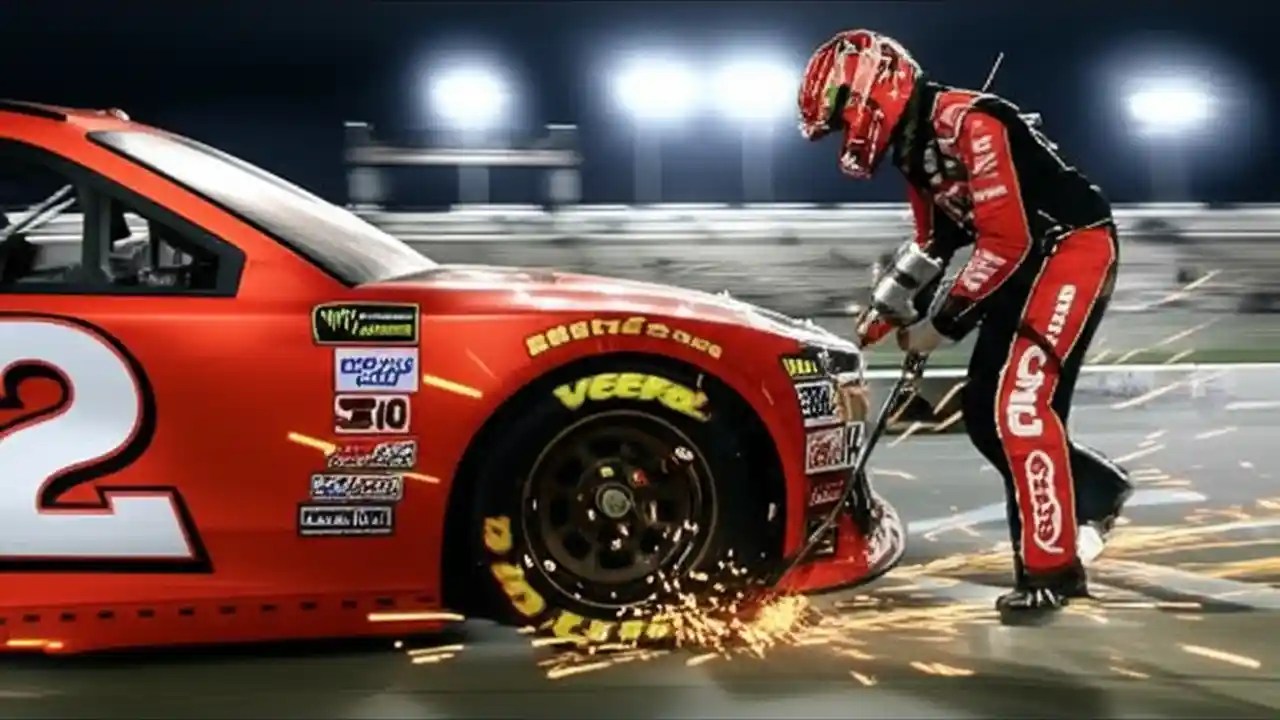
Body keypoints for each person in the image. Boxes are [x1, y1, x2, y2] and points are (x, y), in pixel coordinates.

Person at [797, 29, 1134, 618]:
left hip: (1070, 251)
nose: (842, 137)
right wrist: (884, 309)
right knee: (982, 411)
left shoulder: (972, 121)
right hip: (1024, 259)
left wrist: (939, 326)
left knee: (1019, 408)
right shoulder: (911, 148)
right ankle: (1096, 488)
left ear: (873, 91)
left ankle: (1051, 570)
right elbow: (935, 241)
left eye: (840, 116)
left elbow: (1006, 242)